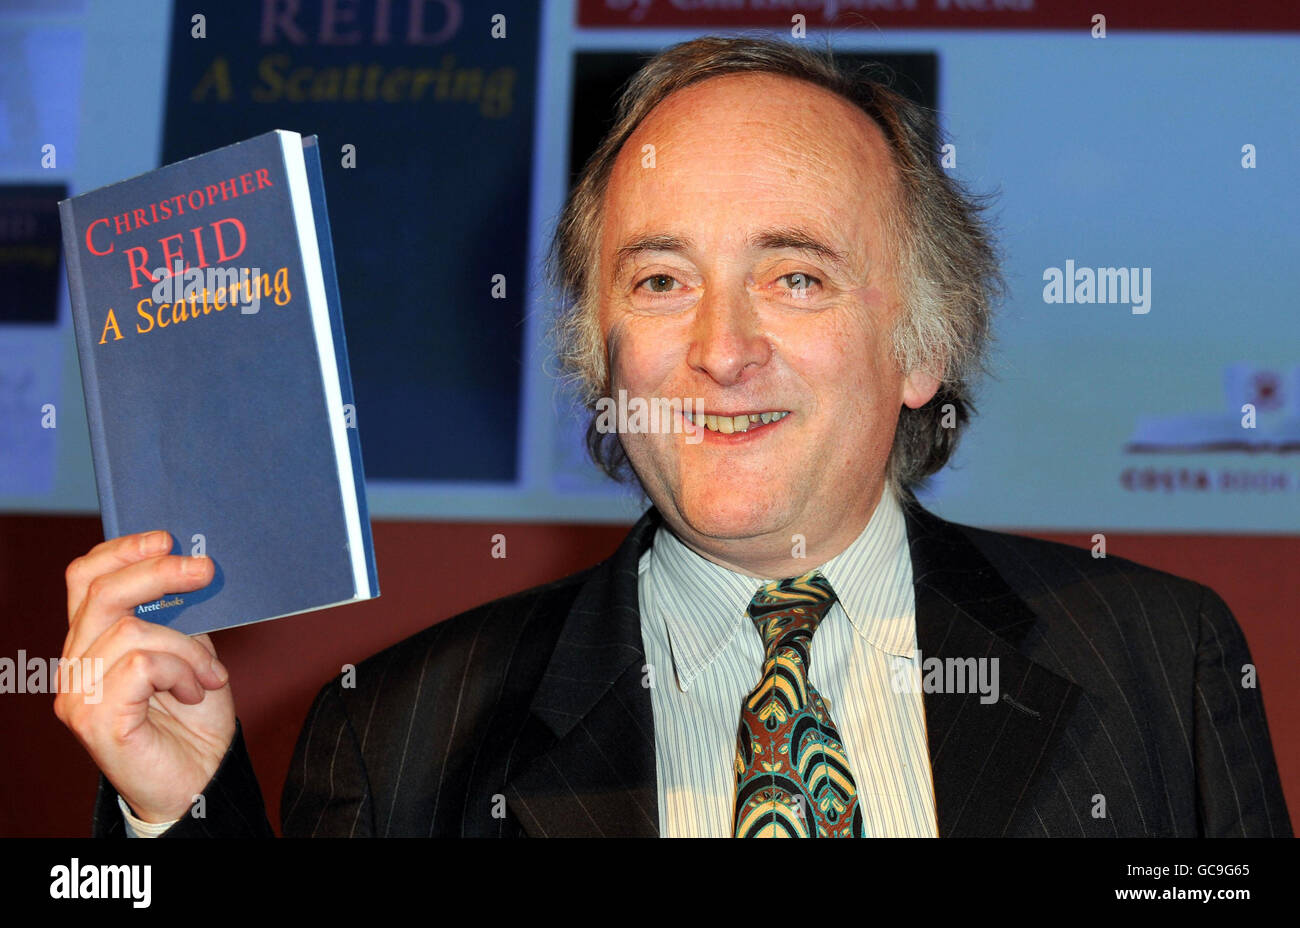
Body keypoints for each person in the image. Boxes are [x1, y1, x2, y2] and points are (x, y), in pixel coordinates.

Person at [57, 36, 1290, 838]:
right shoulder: (393, 740)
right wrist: (170, 818)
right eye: (658, 281)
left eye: (795, 276)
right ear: (600, 358)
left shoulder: (1160, 664)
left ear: (920, 347)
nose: (720, 348)